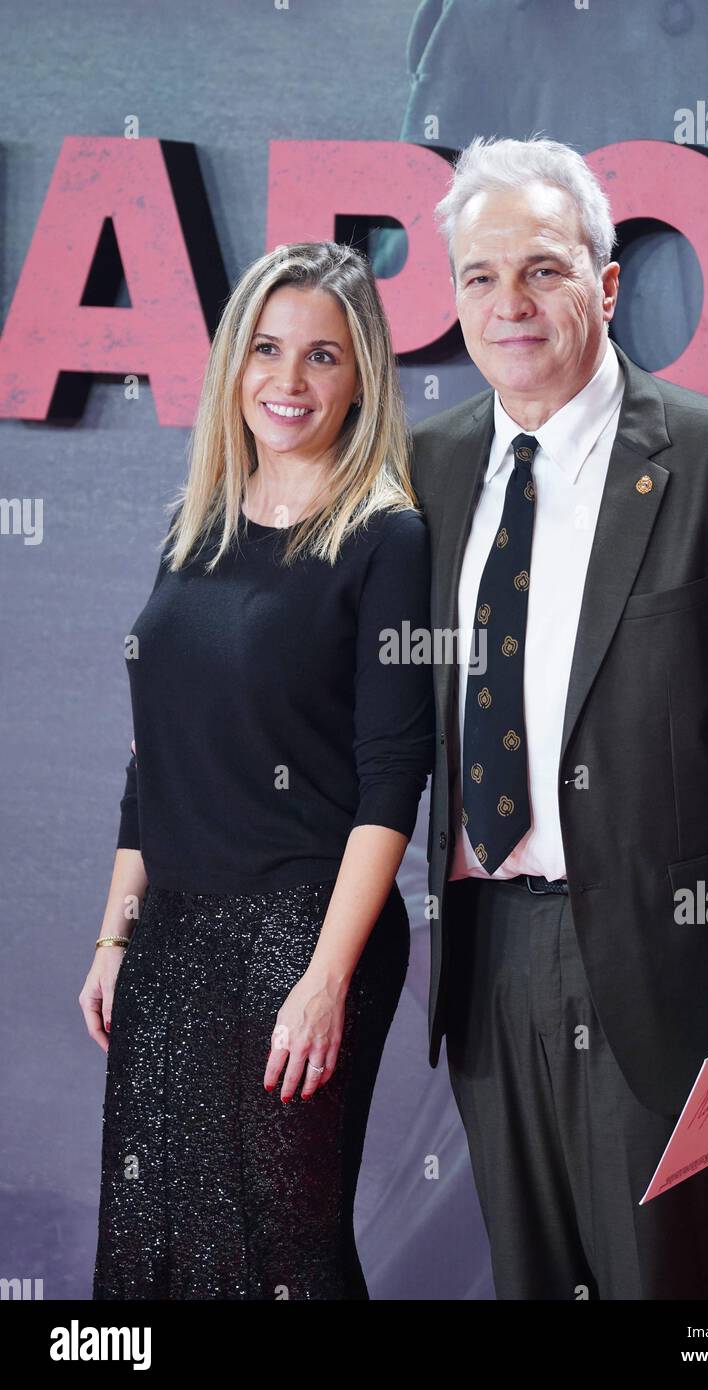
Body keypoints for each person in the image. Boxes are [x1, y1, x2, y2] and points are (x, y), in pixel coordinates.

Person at [409, 135, 708, 1299]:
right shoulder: (425, 467)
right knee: (528, 1279)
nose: (508, 304)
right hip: (480, 952)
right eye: (478, 276)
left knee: (655, 1286)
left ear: (606, 284)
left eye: (543, 270)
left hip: (660, 960)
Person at [81, 242, 435, 1300]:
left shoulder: (386, 538)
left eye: (321, 356)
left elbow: (392, 777)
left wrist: (324, 978)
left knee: (282, 1256)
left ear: (361, 376)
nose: (288, 382)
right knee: (149, 1247)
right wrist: (115, 934)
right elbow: (154, 759)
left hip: (302, 928)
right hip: (171, 935)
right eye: (267, 350)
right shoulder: (195, 530)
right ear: (233, 365)